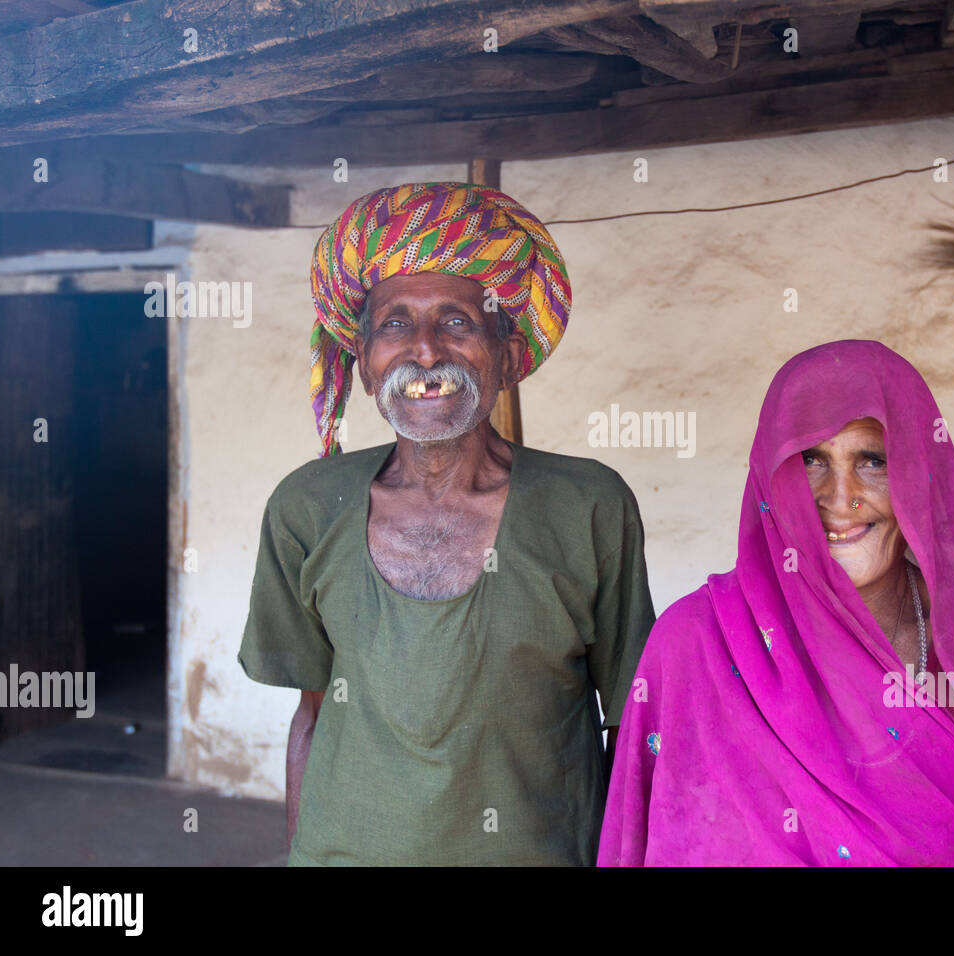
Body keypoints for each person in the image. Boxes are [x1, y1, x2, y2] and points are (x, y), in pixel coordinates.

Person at [238, 182, 655, 865]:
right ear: (364, 363)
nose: (426, 351)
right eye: (396, 323)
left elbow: (634, 723)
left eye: (458, 322)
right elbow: (312, 714)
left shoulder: (590, 507)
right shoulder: (307, 508)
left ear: (505, 353)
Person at [599, 339, 954, 866]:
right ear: (770, 477)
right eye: (810, 460)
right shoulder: (695, 642)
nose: (841, 498)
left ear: (920, 474)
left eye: (872, 461)